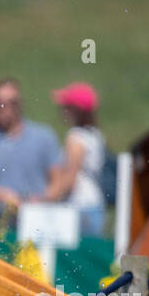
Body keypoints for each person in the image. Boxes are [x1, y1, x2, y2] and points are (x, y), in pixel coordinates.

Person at [0, 78, 64, 233]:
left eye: (11, 102)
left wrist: (41, 199)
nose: (4, 107)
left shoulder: (44, 137)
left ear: (20, 104)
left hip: (39, 225)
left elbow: (58, 182)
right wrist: (1, 195)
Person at [50, 82, 107, 238]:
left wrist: (47, 198)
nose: (62, 110)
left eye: (66, 106)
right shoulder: (95, 135)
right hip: (96, 204)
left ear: (76, 110)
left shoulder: (75, 137)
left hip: (80, 206)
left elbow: (70, 179)